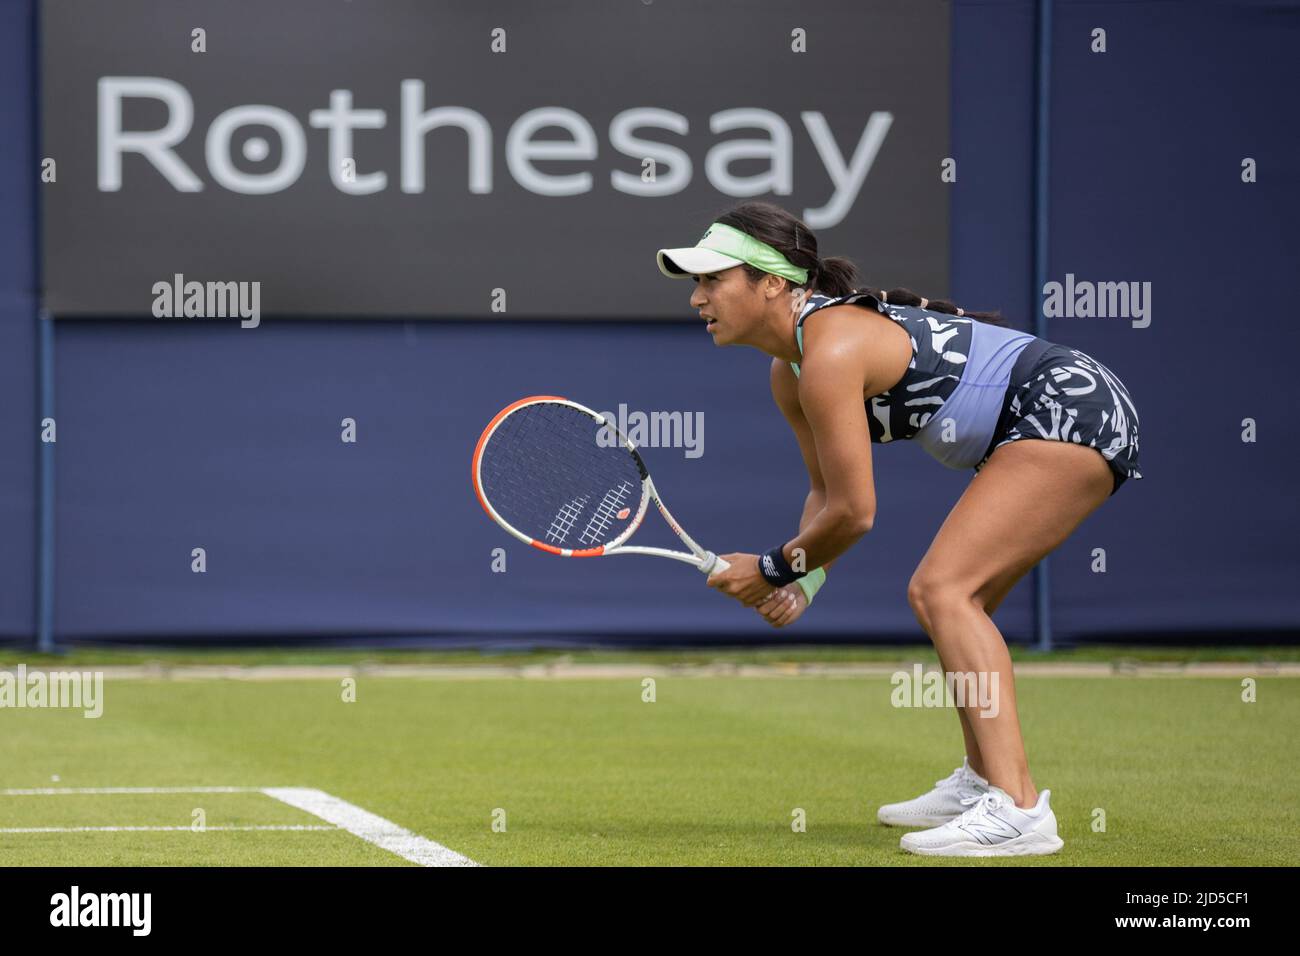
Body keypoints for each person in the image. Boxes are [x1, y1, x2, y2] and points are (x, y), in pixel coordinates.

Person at [654, 200, 1143, 857]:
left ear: (770, 282)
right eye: (696, 283)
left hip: (1068, 405)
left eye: (712, 280)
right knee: (966, 606)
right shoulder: (789, 371)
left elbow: (857, 512)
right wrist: (808, 579)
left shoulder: (832, 348)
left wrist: (772, 568)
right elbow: (826, 494)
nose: (697, 298)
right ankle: (982, 784)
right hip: (1045, 418)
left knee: (942, 591)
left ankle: (1020, 810)